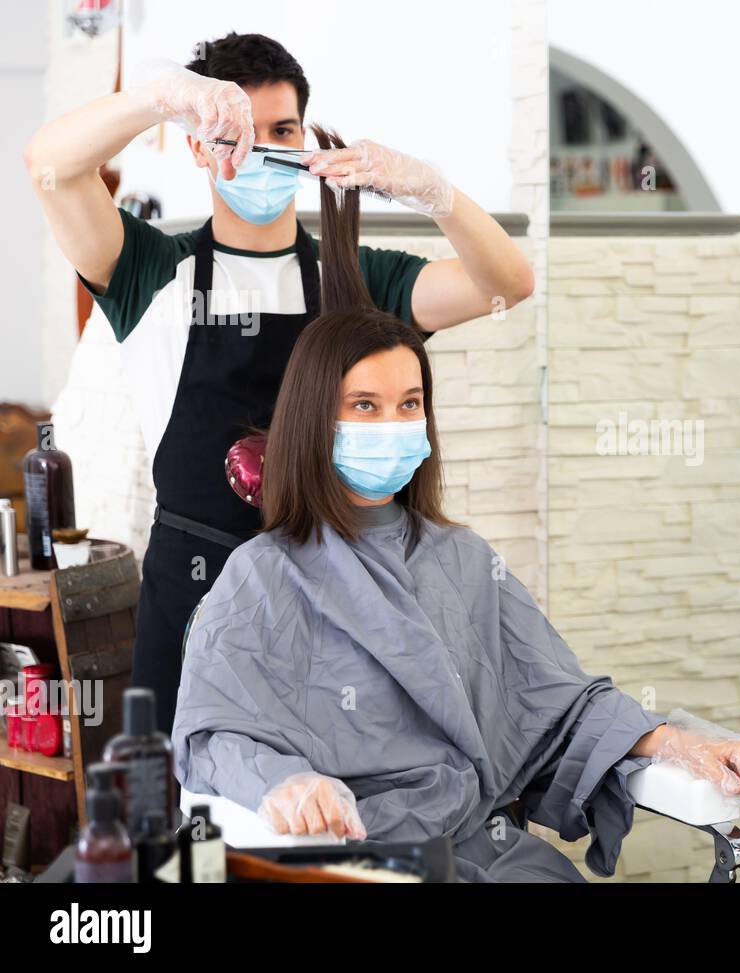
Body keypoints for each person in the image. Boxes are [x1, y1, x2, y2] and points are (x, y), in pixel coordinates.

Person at [170, 166, 740, 883]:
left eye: (408, 402)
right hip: (360, 860)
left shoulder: (461, 558)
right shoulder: (262, 576)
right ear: (314, 421)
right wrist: (286, 784)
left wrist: (672, 741)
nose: (392, 423)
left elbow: (558, 707)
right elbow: (211, 737)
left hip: (488, 852)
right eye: (364, 405)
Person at [24, 32, 535, 733]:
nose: (264, 150)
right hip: (193, 602)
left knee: (330, 816)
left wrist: (433, 192)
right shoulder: (148, 275)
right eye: (238, 132)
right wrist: (164, 98)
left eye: (283, 130)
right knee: (194, 822)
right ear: (199, 146)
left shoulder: (359, 279)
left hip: (334, 600)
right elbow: (47, 163)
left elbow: (505, 284)